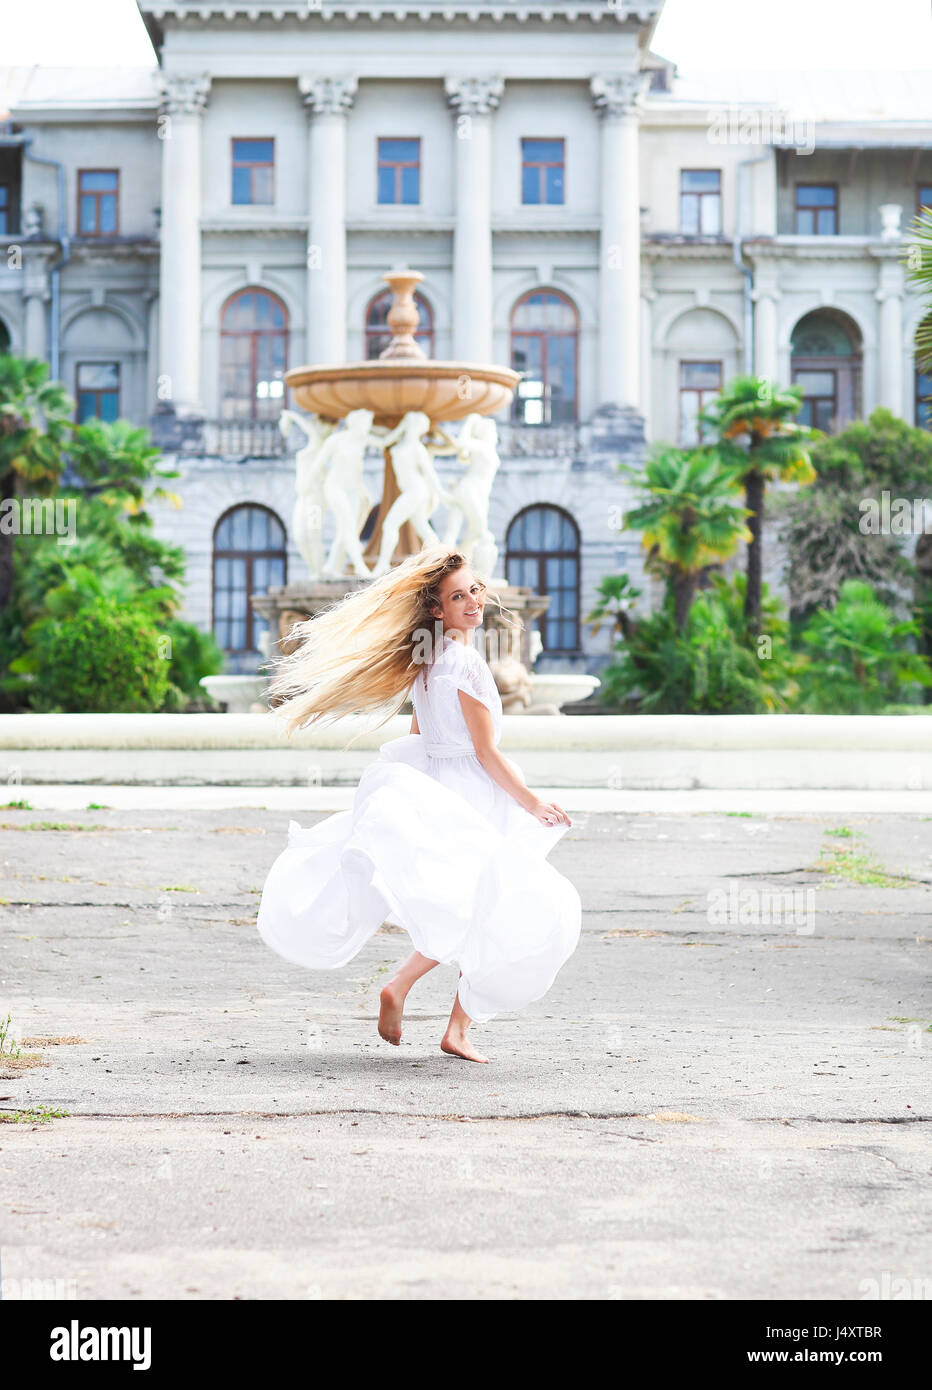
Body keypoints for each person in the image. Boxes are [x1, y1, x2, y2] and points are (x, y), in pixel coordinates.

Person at [256, 544, 582, 1063]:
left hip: (440, 784)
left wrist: (409, 789)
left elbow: (420, 731)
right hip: (476, 791)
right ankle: (423, 1002)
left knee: (471, 904)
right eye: (459, 596)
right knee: (486, 905)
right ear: (436, 609)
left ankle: (448, 1021)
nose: (474, 601)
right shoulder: (469, 664)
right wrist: (532, 803)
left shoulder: (430, 660)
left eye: (474, 589)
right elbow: (485, 751)